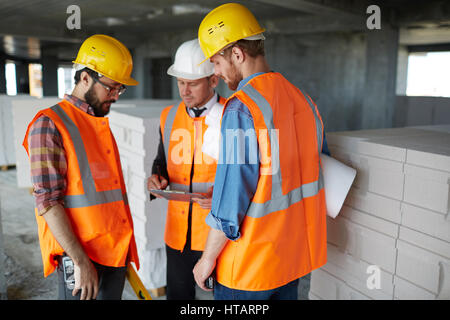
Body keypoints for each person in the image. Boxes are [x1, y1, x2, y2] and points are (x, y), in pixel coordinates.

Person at [193, 3, 329, 300]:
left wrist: (206, 260)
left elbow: (231, 203)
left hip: (248, 268)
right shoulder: (305, 101)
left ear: (237, 55)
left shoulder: (243, 107)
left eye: (216, 62)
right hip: (291, 261)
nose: (215, 72)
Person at [23, 34, 140, 300]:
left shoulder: (97, 124)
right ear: (85, 78)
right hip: (83, 259)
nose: (115, 96)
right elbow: (48, 202)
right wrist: (80, 262)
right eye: (110, 88)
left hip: (114, 252)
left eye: (120, 89)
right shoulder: (49, 124)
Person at [146, 39, 225, 300]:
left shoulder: (232, 116)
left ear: (213, 80)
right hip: (177, 234)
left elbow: (247, 177)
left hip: (215, 234)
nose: (184, 90)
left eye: (192, 83)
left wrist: (221, 197)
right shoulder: (168, 116)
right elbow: (161, 161)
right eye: (180, 82)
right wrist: (156, 179)